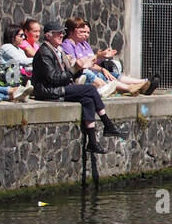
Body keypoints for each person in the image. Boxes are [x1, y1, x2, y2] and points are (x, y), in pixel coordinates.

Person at [31, 22, 129, 154]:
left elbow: (64, 75)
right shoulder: (44, 53)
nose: (61, 35)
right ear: (48, 36)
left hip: (58, 87)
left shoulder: (57, 50)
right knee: (90, 90)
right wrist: (75, 68)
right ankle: (108, 125)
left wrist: (79, 68)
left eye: (62, 32)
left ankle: (92, 142)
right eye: (58, 33)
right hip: (49, 91)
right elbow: (54, 78)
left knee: (88, 99)